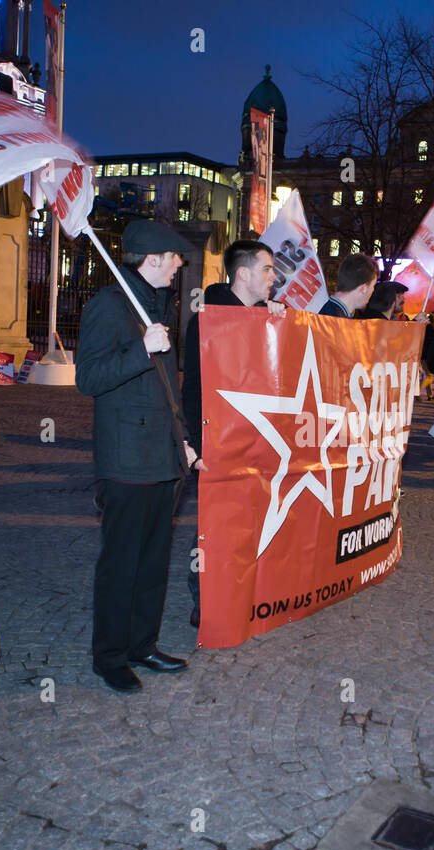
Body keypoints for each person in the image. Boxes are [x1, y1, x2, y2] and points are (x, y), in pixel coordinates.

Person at [77, 219, 200, 693]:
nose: (179, 265)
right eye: (173, 258)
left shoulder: (157, 305)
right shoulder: (109, 307)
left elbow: (169, 390)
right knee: (121, 563)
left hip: (163, 459)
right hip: (126, 460)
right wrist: (139, 349)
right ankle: (108, 657)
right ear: (151, 260)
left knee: (152, 562)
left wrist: (183, 440)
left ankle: (142, 645)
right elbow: (88, 377)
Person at [180, 239, 283, 627]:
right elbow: (196, 387)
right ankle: (205, 598)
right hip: (219, 436)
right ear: (243, 274)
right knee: (218, 519)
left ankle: (238, 589)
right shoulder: (209, 319)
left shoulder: (259, 316)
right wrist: (197, 439)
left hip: (254, 436)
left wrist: (276, 322)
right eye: (267, 269)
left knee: (247, 514)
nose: (274, 277)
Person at [319, 253, 377, 318]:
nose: (373, 290)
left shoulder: (326, 312)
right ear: (363, 288)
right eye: (373, 286)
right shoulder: (335, 321)